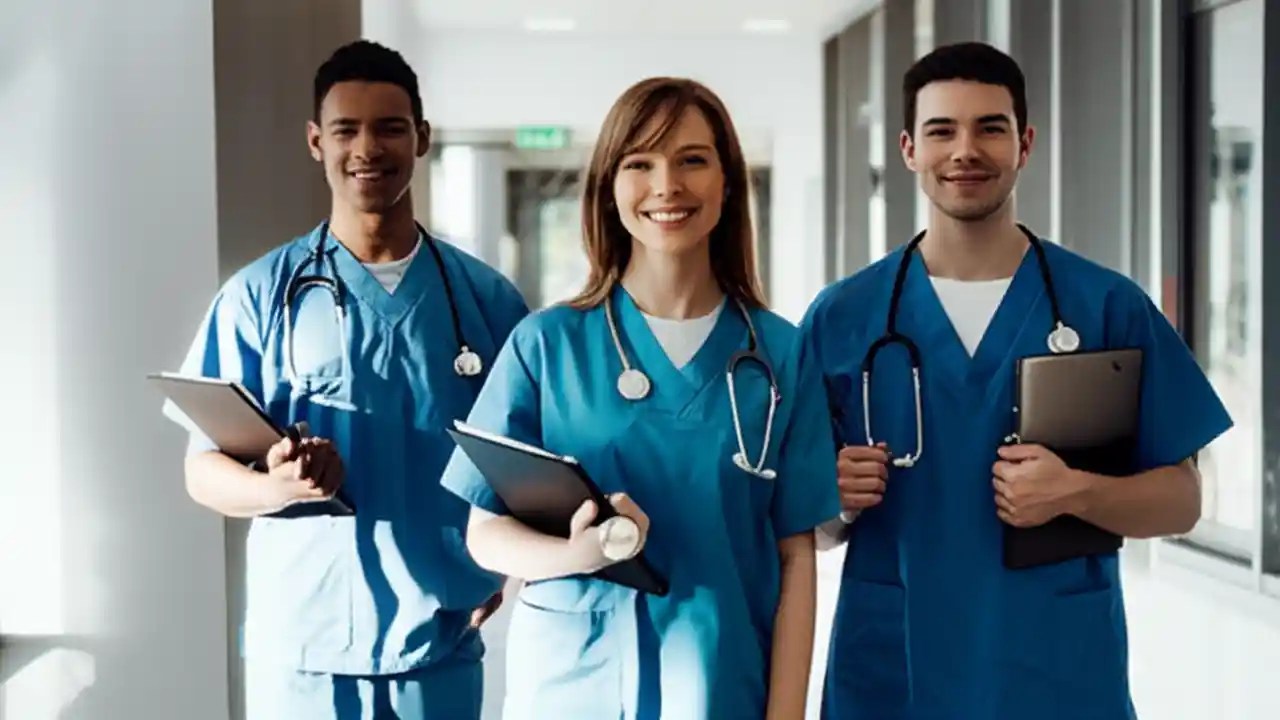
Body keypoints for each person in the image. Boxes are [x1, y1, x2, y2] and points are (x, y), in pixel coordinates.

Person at [803, 42, 1232, 719]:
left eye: (990, 128)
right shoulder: (845, 316)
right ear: (910, 149)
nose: (965, 150)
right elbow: (816, 525)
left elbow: (1181, 501)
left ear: (1025, 143)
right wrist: (835, 497)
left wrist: (1074, 492)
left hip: (1053, 667)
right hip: (896, 666)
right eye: (942, 130)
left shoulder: (1105, 306)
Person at [439, 77, 840, 719]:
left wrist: (787, 712)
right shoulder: (546, 345)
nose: (666, 186)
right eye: (640, 163)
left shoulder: (780, 355)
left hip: (720, 685)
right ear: (609, 186)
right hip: (573, 687)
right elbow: (485, 532)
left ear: (728, 181)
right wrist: (576, 554)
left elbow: (797, 558)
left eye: (691, 160)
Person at [165, 40, 528, 719]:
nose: (368, 147)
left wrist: (504, 554)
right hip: (300, 646)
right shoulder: (259, 297)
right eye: (345, 129)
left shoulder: (487, 303)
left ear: (420, 137)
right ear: (315, 141)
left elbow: (526, 464)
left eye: (390, 127)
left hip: (439, 639)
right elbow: (201, 470)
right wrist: (274, 485)